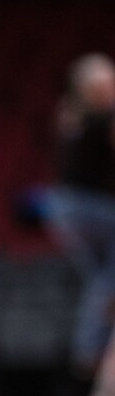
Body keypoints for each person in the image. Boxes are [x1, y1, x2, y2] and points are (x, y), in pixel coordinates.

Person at [45, 53, 115, 375]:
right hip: (93, 207)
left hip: (70, 208)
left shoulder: (69, 113)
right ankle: (90, 348)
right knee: (107, 281)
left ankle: (95, 349)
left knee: (100, 281)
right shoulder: (102, 118)